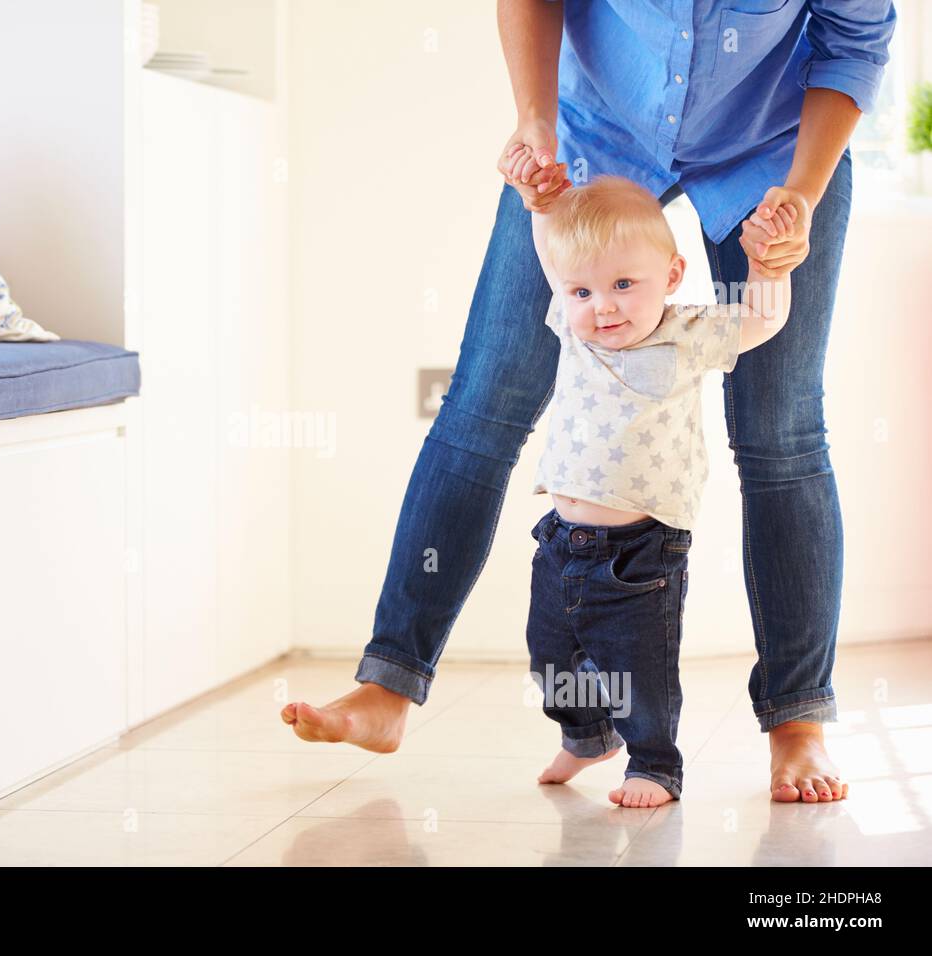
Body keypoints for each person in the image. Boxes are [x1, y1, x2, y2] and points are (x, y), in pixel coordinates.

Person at [282, 0, 895, 804]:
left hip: (773, 155)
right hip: (591, 136)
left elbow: (853, 39)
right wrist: (535, 122)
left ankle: (797, 722)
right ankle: (389, 686)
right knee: (484, 400)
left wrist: (802, 199)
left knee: (782, 432)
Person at [522, 173, 793, 807]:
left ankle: (653, 765)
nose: (604, 306)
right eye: (584, 290)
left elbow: (763, 319)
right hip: (560, 543)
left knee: (639, 668)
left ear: (671, 275)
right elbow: (550, 249)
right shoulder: (572, 324)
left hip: (644, 552)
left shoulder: (688, 330)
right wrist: (539, 201)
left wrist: (763, 264)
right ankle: (588, 736)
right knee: (551, 659)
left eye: (623, 285)